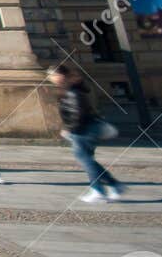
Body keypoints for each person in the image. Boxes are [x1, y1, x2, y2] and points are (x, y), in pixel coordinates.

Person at [48, 64, 126, 203]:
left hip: (83, 130)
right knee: (88, 160)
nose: (50, 78)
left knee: (86, 161)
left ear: (61, 76)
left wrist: (69, 128)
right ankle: (114, 185)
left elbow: (77, 113)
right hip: (84, 128)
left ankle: (99, 191)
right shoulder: (71, 89)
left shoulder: (72, 91)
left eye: (52, 75)